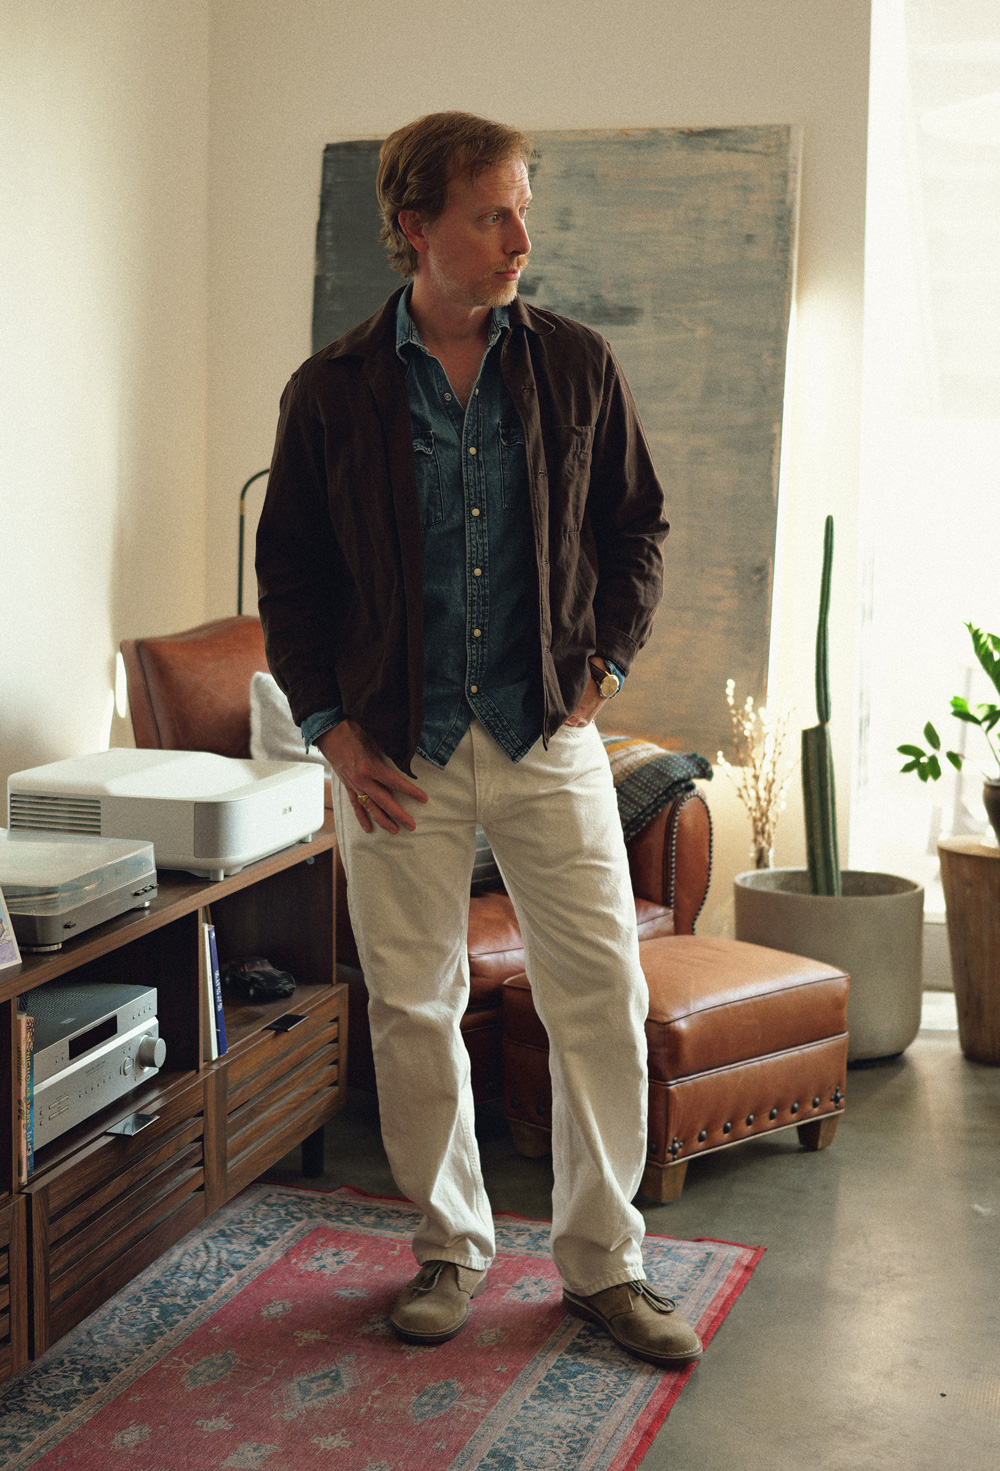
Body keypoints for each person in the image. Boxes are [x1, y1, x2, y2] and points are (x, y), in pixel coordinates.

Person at [255, 111, 702, 1368]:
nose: (521, 238)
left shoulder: (573, 364)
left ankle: (605, 1264)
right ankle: (449, 1244)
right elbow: (287, 575)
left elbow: (638, 526)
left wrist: (604, 667)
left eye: (522, 210)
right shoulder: (331, 392)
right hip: (392, 752)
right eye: (491, 215)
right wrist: (333, 735)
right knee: (410, 1003)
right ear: (415, 229)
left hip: (547, 737)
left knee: (600, 995)